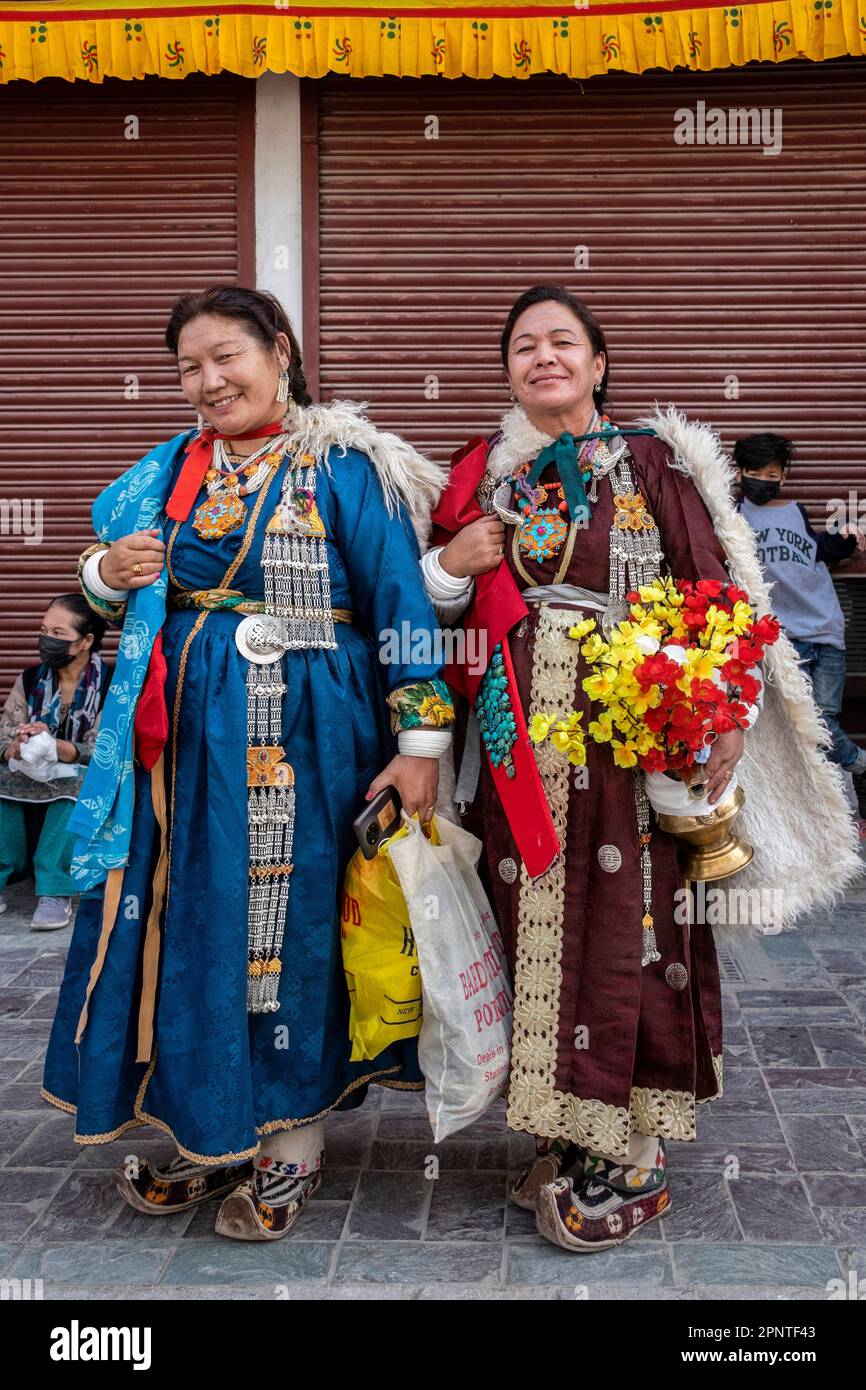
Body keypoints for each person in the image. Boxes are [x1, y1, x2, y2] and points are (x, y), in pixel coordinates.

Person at [421, 284, 860, 1252]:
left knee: (631, 925)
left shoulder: (654, 463)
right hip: (513, 752)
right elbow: (431, 615)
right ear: (507, 371)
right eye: (523, 344)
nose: (542, 356)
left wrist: (724, 721)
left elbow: (715, 594)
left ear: (598, 362)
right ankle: (563, 1129)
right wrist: (453, 561)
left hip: (627, 746)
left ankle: (633, 1152)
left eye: (561, 342)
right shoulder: (482, 479)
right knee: (527, 924)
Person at [41, 286, 454, 1240]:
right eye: (189, 366)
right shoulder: (170, 471)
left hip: (305, 735)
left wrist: (419, 746)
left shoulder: (349, 465)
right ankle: (210, 1130)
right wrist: (110, 573)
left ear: (279, 351)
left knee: (286, 918)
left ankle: (288, 1148)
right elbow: (98, 581)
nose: (208, 380)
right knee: (187, 919)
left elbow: (401, 601)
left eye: (226, 355)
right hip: (179, 747)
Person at [734, 432, 866, 815]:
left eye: (771, 471)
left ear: (784, 475)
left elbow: (817, 551)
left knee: (826, 720)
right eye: (754, 470)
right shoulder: (735, 517)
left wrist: (843, 539)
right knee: (810, 723)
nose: (763, 477)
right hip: (785, 639)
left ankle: (840, 809)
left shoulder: (797, 511)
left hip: (826, 626)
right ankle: (858, 764)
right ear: (740, 473)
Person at [0, 595, 110, 930]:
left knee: (77, 781)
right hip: (32, 774)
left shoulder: (110, 685)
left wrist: (57, 747)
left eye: (58, 633)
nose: (46, 639)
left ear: (85, 641)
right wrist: (17, 746)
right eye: (44, 630)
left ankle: (55, 890)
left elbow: (103, 749)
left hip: (79, 772)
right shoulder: (30, 679)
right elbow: (4, 734)